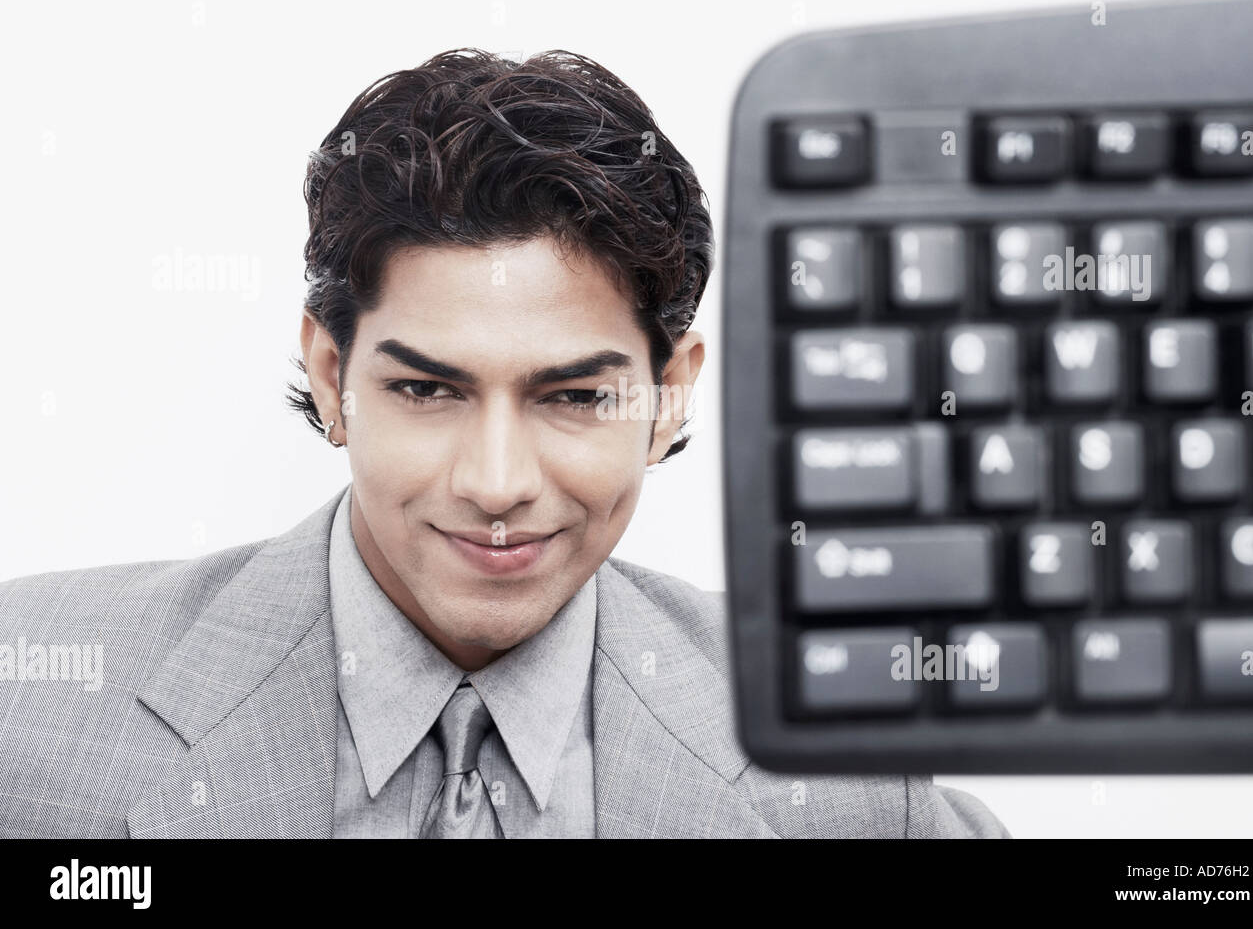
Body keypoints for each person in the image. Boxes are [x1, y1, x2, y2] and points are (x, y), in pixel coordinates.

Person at [0, 48, 1008, 838]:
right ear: (330, 377)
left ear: (667, 397)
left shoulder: (848, 771)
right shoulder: (26, 711)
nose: (495, 483)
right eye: (427, 387)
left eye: (572, 396)